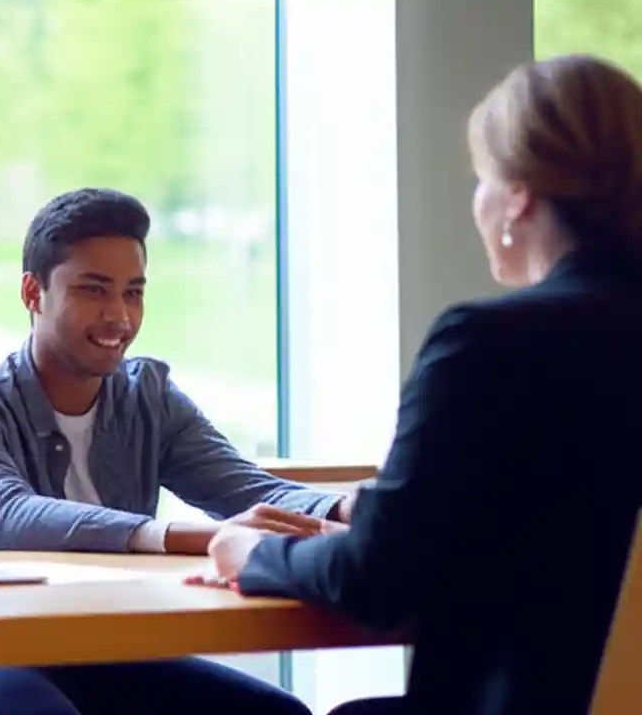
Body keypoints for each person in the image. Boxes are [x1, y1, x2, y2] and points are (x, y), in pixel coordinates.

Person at [194, 54, 642, 715]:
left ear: (518, 194)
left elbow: (378, 582)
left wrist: (255, 553)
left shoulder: (491, 343)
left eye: (482, 178)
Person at [0, 187, 351, 715]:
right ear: (32, 293)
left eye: (133, 292)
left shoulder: (147, 397)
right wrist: (204, 538)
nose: (119, 317)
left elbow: (248, 490)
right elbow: (2, 516)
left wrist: (353, 510)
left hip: (106, 652)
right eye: (94, 290)